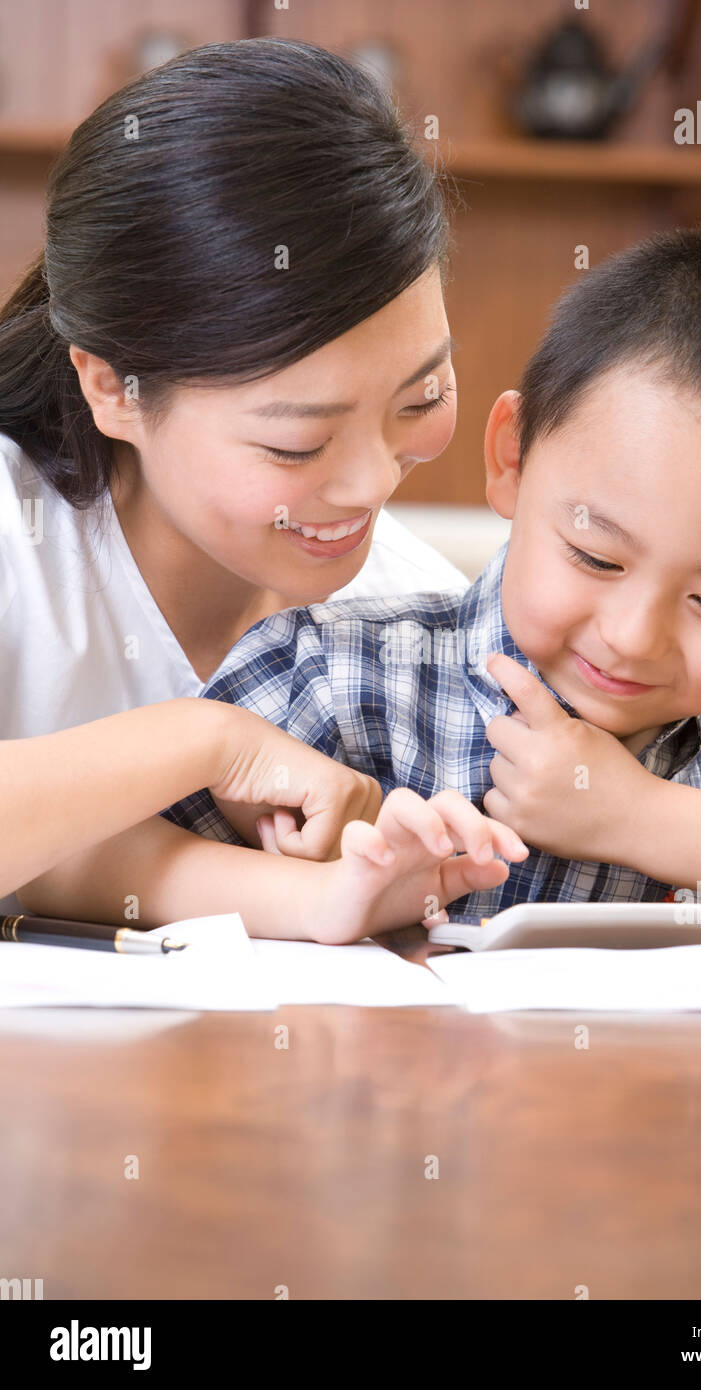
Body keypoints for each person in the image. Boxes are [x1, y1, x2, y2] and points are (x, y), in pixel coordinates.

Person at [103, 226, 701, 943]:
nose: (633, 636)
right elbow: (88, 861)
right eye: (596, 557)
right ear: (512, 459)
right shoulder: (338, 679)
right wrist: (311, 890)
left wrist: (639, 819)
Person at [0, 37, 494, 914]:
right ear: (113, 387)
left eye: (420, 400)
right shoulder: (18, 538)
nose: (371, 485)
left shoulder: (409, 607)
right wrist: (208, 741)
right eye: (298, 445)